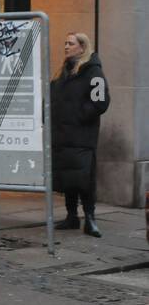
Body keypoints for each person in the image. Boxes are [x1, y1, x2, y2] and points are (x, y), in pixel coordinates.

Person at [51, 32, 110, 237]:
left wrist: (77, 116)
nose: (66, 47)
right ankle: (71, 217)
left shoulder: (93, 72)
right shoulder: (63, 73)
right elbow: (52, 98)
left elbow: (100, 102)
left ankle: (90, 218)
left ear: (82, 47)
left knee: (84, 179)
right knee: (68, 178)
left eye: (71, 43)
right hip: (62, 135)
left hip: (82, 136)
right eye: (65, 43)